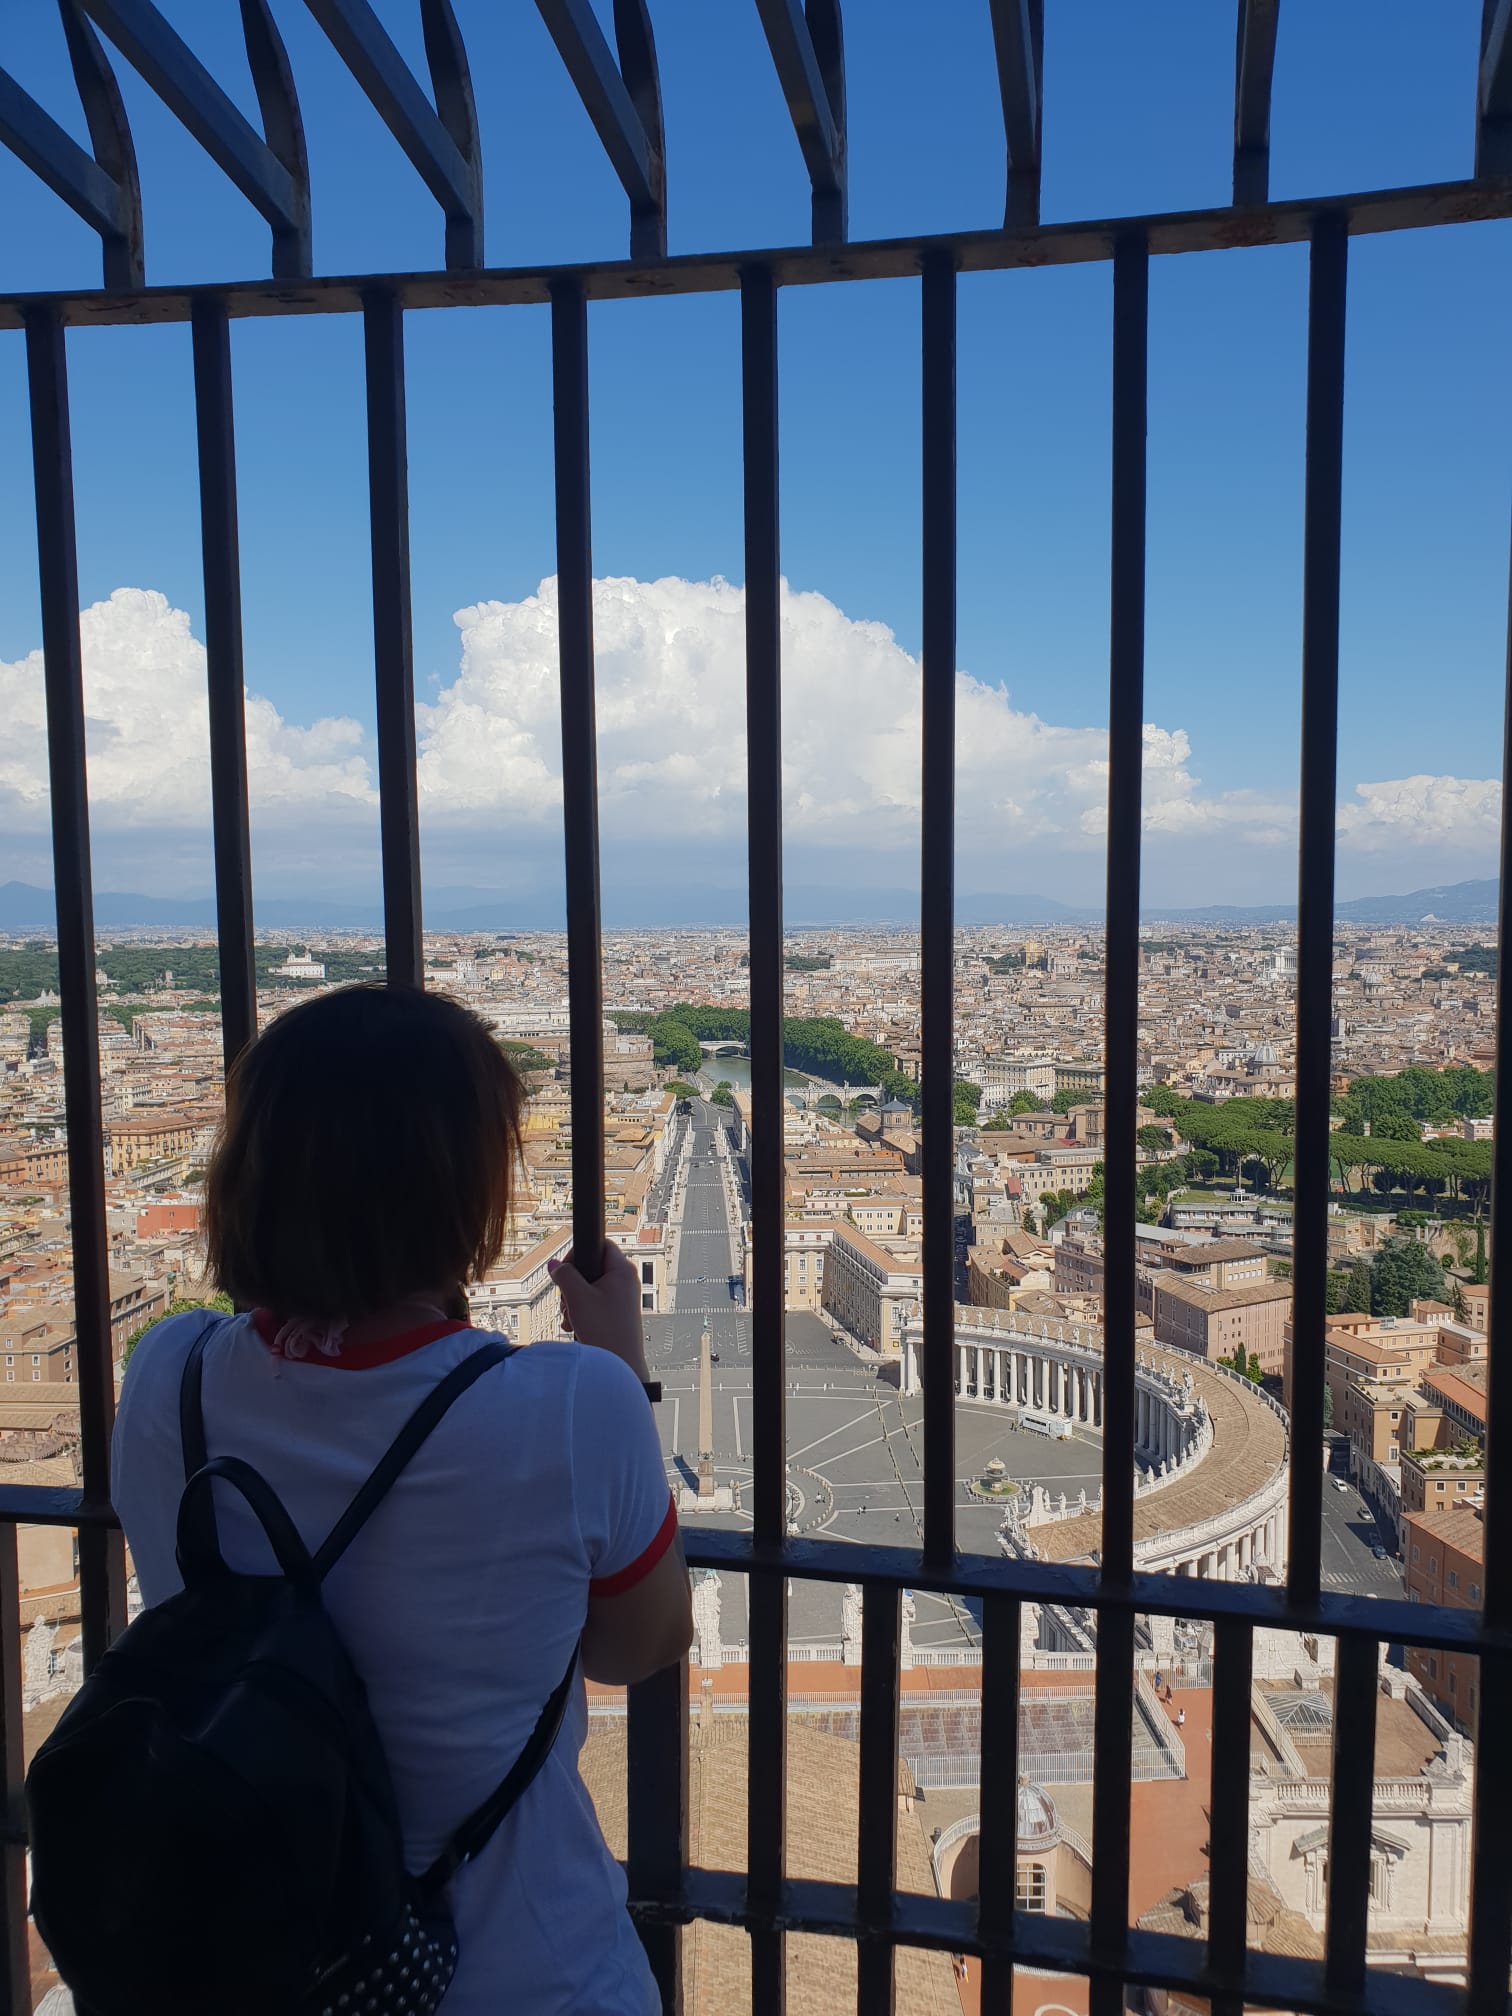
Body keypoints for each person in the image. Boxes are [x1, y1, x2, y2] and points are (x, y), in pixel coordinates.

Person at [112, 986, 691, 2016]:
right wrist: (621, 1364)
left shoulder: (170, 1378)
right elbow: (638, 1646)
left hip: (256, 1960)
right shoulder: (569, 1407)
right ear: (465, 1188)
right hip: (531, 1974)